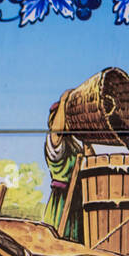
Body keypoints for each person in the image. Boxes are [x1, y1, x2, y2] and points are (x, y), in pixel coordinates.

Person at [42, 94, 85, 241]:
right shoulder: (55, 142)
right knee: (58, 240)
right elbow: (58, 131)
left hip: (77, 201)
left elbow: (91, 159)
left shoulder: (76, 145)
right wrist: (64, 100)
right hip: (61, 200)